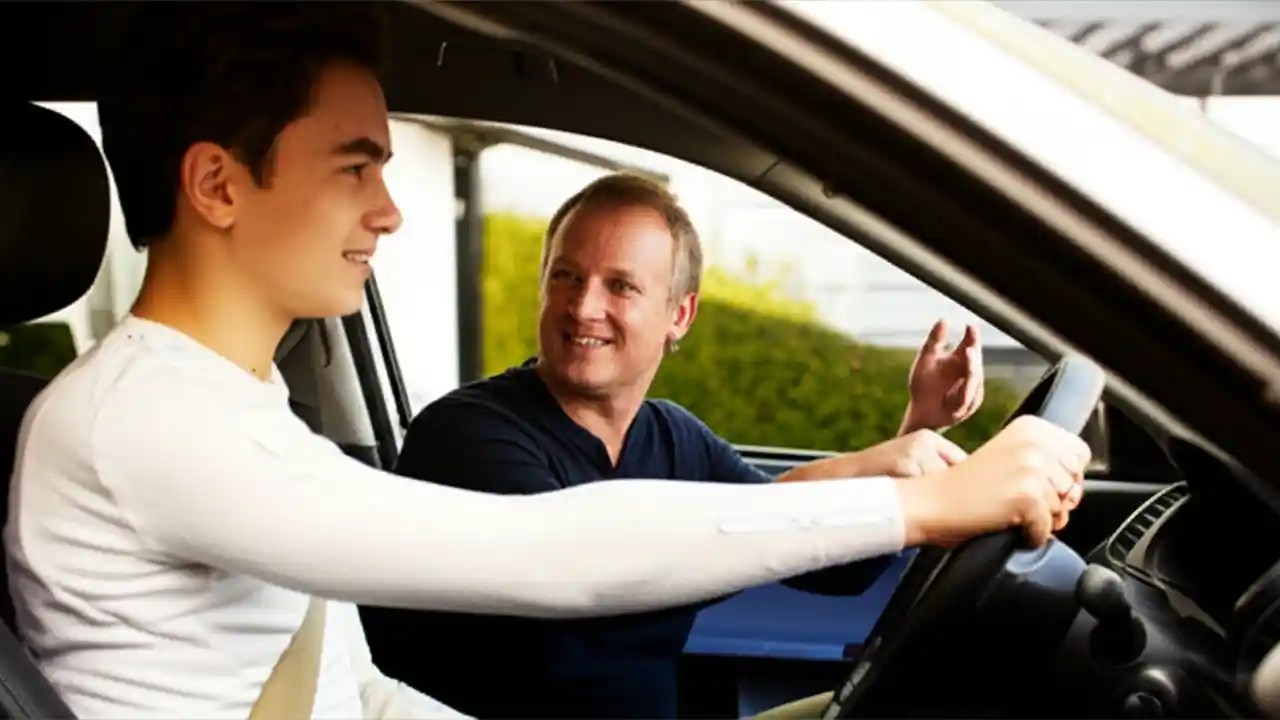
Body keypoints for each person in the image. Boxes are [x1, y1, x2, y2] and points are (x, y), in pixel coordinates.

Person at [3, 4, 1089, 719]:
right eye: (354, 167)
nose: (387, 210)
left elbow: (352, 694)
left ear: (679, 317)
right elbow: (548, 552)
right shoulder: (139, 423)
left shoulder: (234, 405)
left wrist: (902, 465)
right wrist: (917, 509)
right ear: (218, 185)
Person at [362, 174, 988, 719]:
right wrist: (866, 467)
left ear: (679, 315)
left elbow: (824, 560)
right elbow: (604, 569)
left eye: (621, 287)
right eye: (567, 277)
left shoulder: (672, 437)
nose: (584, 306)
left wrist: (915, 432)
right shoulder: (466, 435)